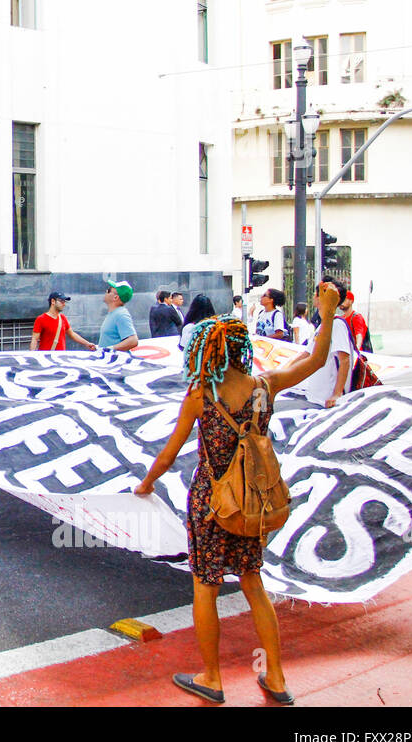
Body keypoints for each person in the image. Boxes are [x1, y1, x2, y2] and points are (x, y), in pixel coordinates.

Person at [134, 281, 341, 705]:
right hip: (252, 502)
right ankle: (277, 677)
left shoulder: (200, 396)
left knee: (205, 587)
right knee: (253, 583)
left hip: (211, 503)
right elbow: (319, 359)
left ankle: (212, 677)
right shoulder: (266, 386)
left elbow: (171, 453)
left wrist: (146, 483)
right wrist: (328, 311)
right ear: (242, 349)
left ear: (205, 354)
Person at [300, 277, 354, 408]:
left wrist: (337, 394)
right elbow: (306, 355)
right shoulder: (322, 326)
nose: (313, 296)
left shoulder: (337, 325)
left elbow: (344, 360)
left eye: (316, 293)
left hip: (328, 401)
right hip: (316, 398)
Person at [31, 292, 96, 351]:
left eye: (64, 302)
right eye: (61, 301)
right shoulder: (41, 319)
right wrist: (32, 356)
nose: (64, 304)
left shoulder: (62, 318)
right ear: (53, 301)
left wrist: (87, 343)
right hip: (47, 359)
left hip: (61, 358)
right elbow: (34, 339)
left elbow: (72, 334)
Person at [97, 280, 139, 352]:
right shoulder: (114, 313)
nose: (106, 291)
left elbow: (133, 341)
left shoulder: (121, 315)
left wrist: (110, 350)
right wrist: (99, 348)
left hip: (115, 361)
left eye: (109, 290)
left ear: (115, 297)